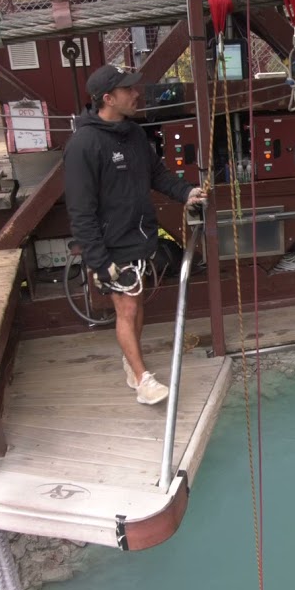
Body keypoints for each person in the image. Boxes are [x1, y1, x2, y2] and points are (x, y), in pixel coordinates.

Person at [64, 63, 207, 405]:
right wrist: (98, 261)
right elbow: (80, 210)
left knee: (136, 303)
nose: (136, 93)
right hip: (109, 244)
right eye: (128, 90)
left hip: (140, 235)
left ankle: (131, 363)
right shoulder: (83, 145)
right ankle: (144, 381)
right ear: (108, 98)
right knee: (127, 308)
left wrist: (186, 192)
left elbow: (157, 174)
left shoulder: (134, 134)